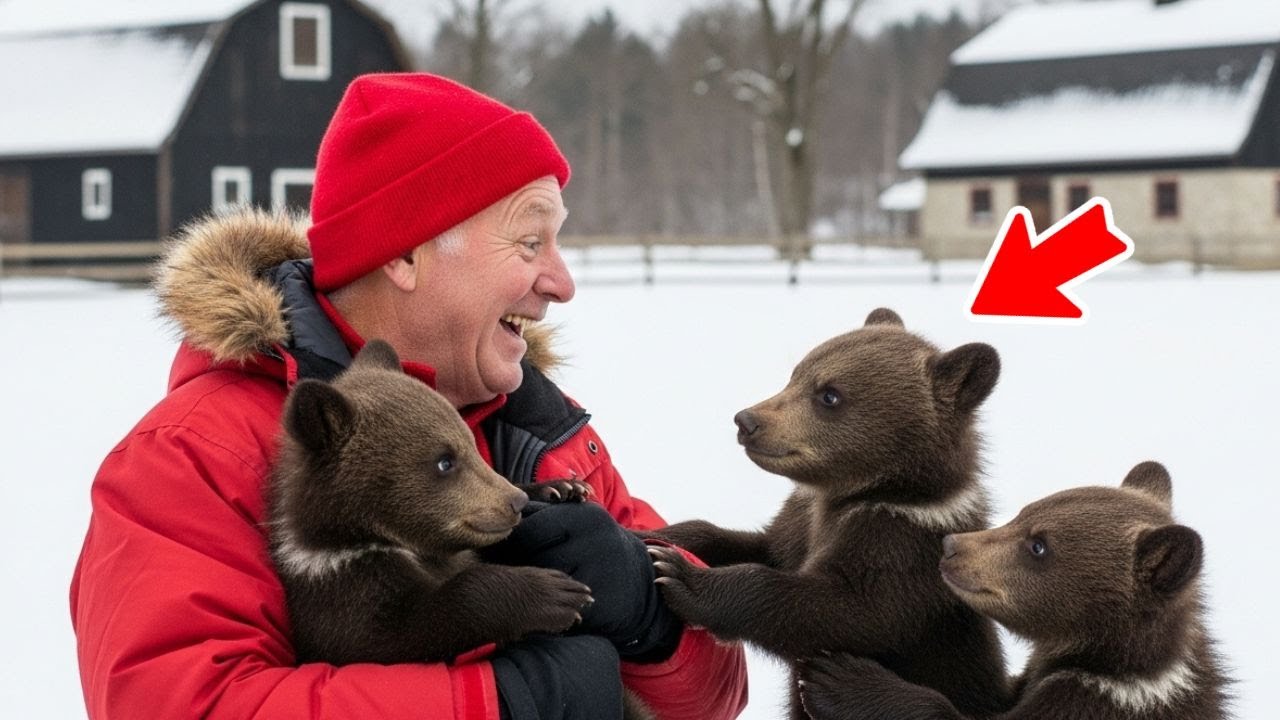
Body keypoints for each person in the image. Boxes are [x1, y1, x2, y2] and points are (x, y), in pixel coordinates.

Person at [69, 72, 748, 720]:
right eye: (530, 241)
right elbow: (177, 702)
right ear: (405, 255)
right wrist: (503, 703)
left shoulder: (543, 435)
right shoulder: (194, 453)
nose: (561, 282)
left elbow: (717, 698)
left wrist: (648, 611)